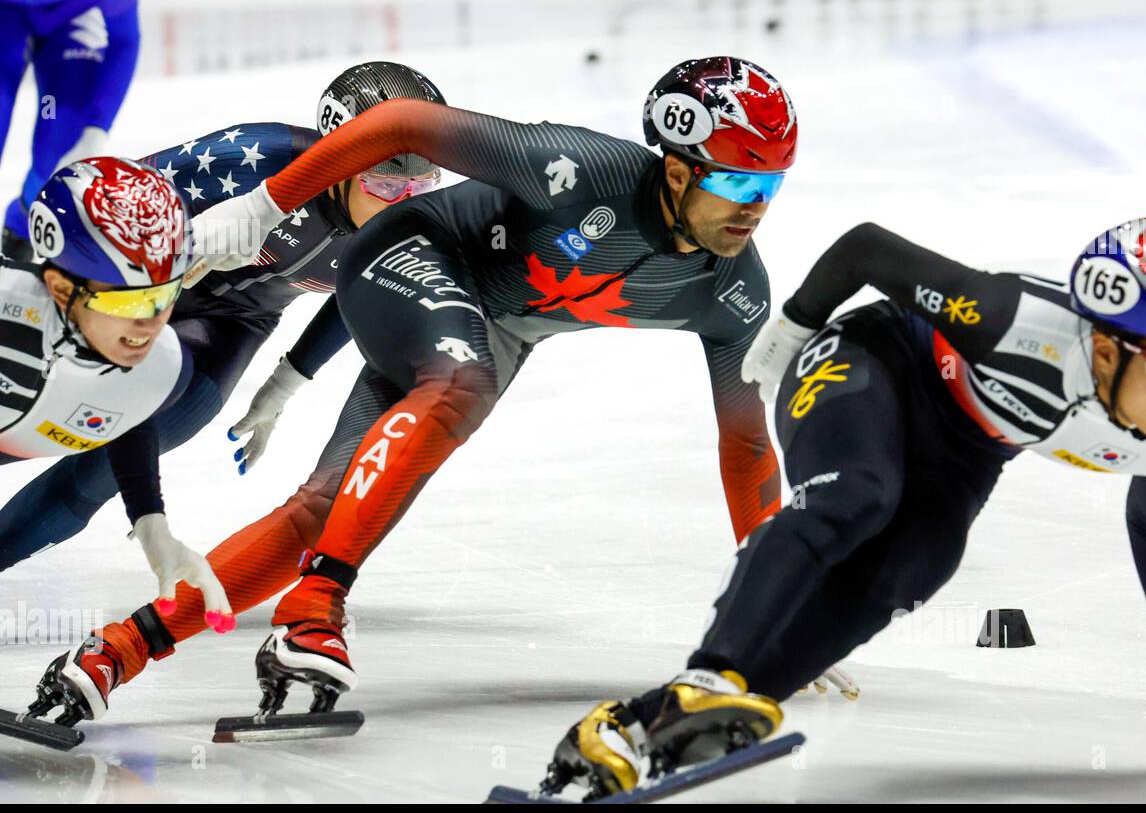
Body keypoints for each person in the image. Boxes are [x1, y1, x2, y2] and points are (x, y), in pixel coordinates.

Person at [85, 55, 794, 721]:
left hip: (494, 328)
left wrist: (771, 608)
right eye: (737, 183)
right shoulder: (582, 167)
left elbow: (746, 444)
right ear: (675, 171)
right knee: (463, 382)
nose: (755, 208)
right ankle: (315, 607)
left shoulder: (732, 293)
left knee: (323, 512)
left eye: (770, 187)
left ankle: (112, 654)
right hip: (412, 250)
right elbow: (401, 123)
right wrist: (268, 204)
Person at [538, 216, 1146, 799]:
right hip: (873, 363)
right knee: (859, 498)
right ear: (1109, 349)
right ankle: (711, 676)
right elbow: (866, 251)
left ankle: (654, 722)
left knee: (916, 566)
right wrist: (790, 330)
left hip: (965, 448)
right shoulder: (1010, 322)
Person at [10, 62, 449, 722]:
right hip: (126, 296)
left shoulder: (405, 221)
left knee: (144, 436)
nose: (408, 198)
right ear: (340, 162)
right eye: (388, 181)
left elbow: (359, 290)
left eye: (424, 181)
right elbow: (110, 202)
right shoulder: (254, 160)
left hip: (231, 323)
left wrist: (287, 379)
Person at [2, 156, 232, 725]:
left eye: (165, 297)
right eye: (128, 303)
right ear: (59, 286)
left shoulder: (161, 366)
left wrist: (153, 528)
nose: (149, 325)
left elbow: (126, 413)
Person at [0, 0, 140, 261]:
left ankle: (20, 227)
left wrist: (97, 128)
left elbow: (125, 40)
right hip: (5, 15)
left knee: (61, 149)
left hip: (73, 16)